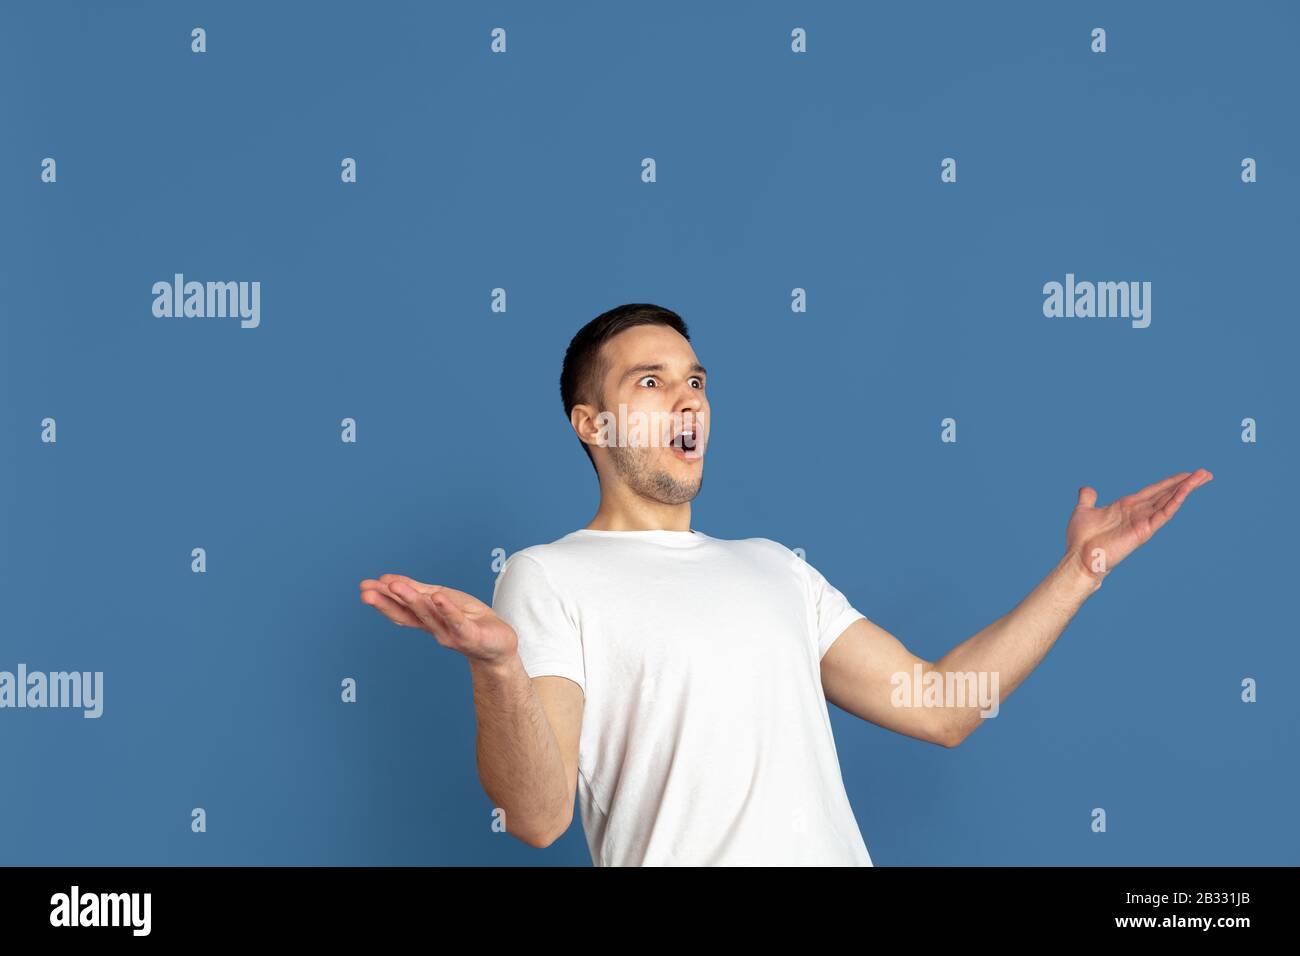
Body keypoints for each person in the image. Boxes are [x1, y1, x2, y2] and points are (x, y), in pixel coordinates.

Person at [359, 303, 1213, 866]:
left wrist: (1079, 573)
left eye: (695, 381)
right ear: (591, 423)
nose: (686, 399)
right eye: (648, 382)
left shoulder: (773, 565)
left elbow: (945, 706)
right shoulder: (550, 576)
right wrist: (499, 668)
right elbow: (538, 816)